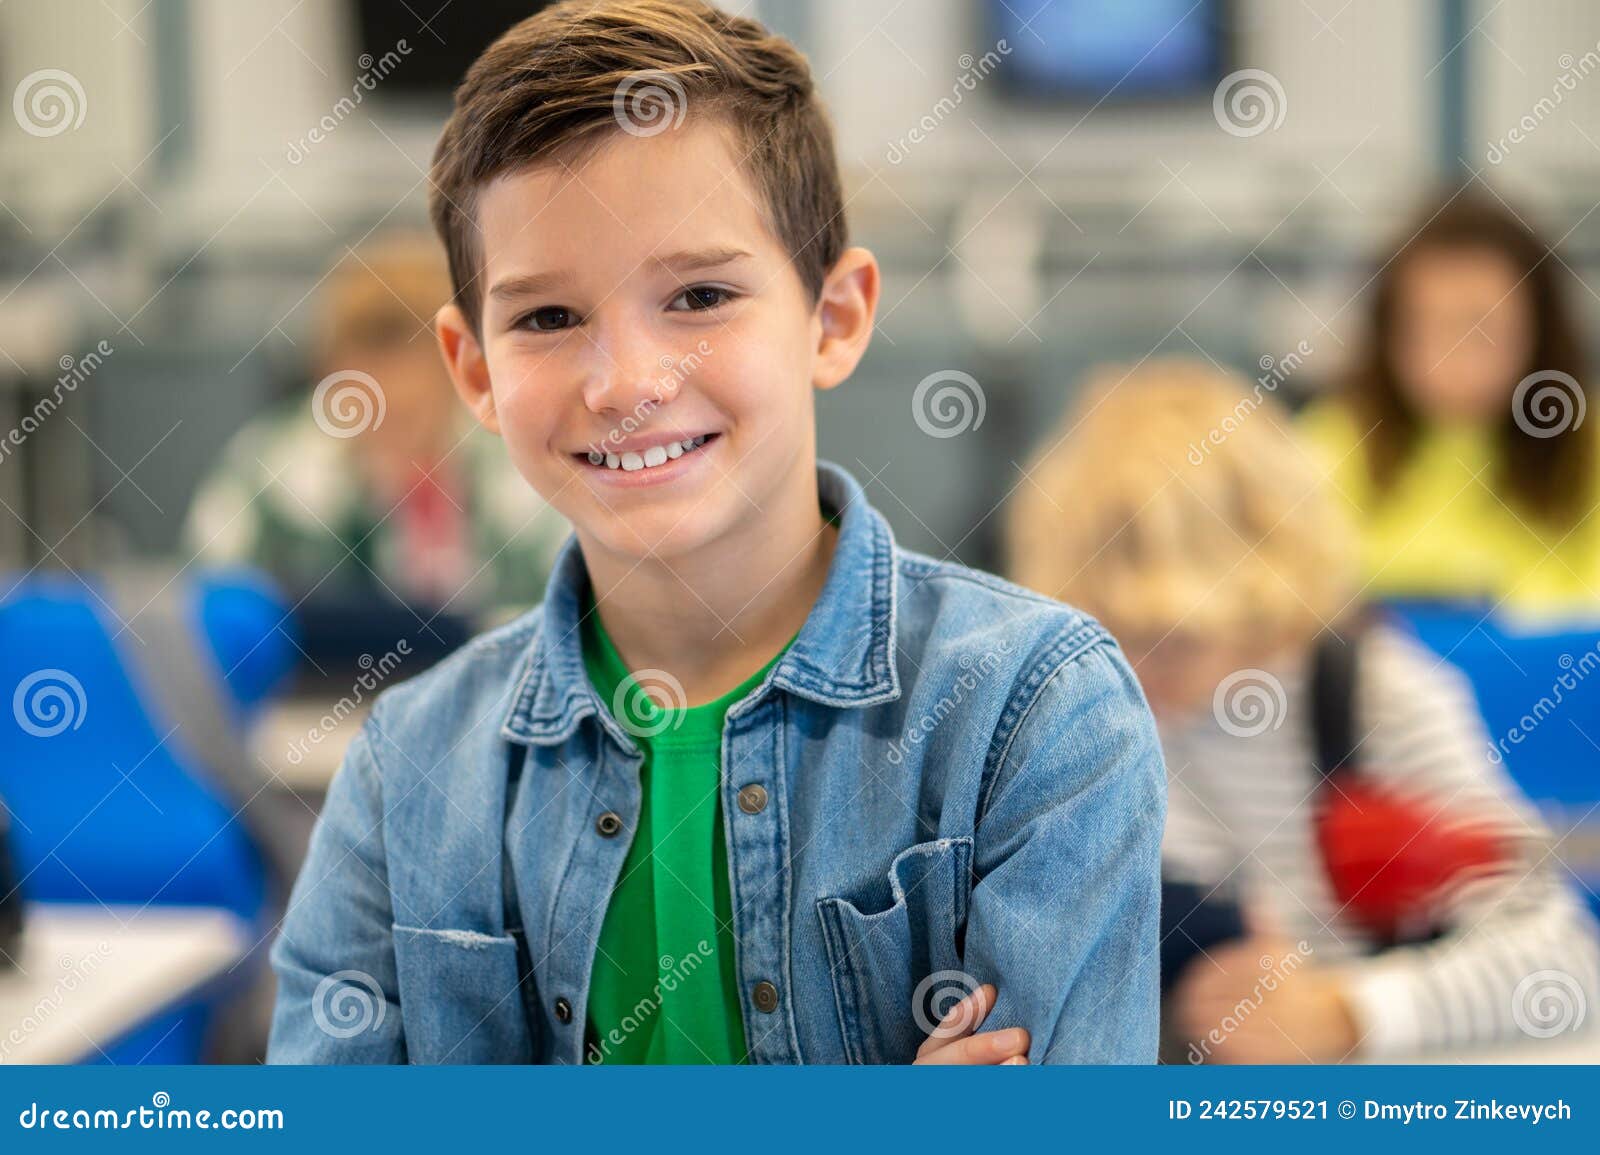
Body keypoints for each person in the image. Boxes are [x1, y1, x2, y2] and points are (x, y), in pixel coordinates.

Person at [265, 0, 1165, 1066]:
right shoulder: (404, 771)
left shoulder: (1035, 715)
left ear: (834, 317)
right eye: (547, 317)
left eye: (698, 295)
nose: (628, 385)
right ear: (475, 371)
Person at [1008, 358, 1600, 1062]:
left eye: (1178, 643)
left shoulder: (1380, 697)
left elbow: (1563, 962)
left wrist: (1349, 1011)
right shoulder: (1082, 715)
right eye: (1110, 637)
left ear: (1265, 599)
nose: (1136, 674)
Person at [184, 232, 568, 618]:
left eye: (411, 400)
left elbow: (568, 615)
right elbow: (206, 618)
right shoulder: (267, 477)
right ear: (327, 376)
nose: (394, 393)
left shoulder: (520, 469)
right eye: (368, 396)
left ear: (459, 373)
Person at [1301, 189, 1600, 616]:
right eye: (1429, 327)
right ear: (1388, 332)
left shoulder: (1587, 447)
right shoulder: (1328, 444)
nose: (1453, 357)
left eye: (1481, 328)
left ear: (1539, 330)